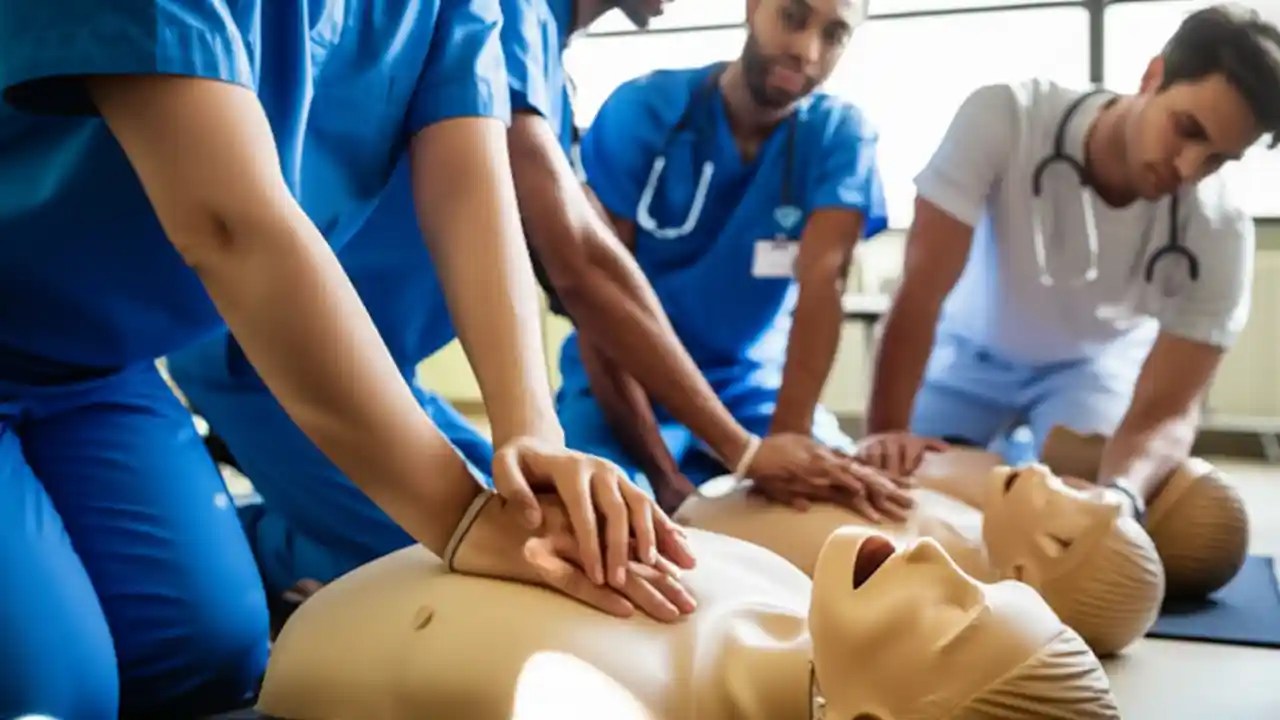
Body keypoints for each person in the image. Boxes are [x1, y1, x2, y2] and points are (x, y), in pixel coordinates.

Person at [0, 1, 692, 716]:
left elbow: (472, 191)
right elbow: (228, 222)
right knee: (53, 695)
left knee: (207, 655)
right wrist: (460, 519)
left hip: (99, 365)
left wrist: (533, 441)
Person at [169, 0, 885, 614]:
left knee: (580, 530)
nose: (808, 44)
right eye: (794, 13)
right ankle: (242, 535)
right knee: (466, 559)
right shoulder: (520, 24)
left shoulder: (538, 58)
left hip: (392, 366)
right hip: (283, 356)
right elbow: (580, 267)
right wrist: (742, 449)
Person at [862, 4, 1280, 515]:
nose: (1189, 167)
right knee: (904, 490)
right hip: (966, 354)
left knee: (1085, 514)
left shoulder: (1220, 229)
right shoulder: (1005, 117)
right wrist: (885, 435)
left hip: (1089, 372)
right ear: (1153, 76)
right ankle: (1004, 459)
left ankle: (1038, 469)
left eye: (1218, 158)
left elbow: (1169, 408)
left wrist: (1120, 497)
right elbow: (919, 294)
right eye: (1187, 129)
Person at [557, 0, 911, 519]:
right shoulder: (645, 110)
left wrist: (788, 444)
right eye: (792, 17)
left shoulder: (838, 135)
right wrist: (665, 478)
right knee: (612, 515)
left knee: (847, 500)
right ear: (752, 8)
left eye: (833, 35)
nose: (807, 51)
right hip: (626, 381)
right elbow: (598, 303)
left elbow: (822, 287)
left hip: (751, 391)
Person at [256, 519, 1120, 720]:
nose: (933, 559)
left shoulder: (612, 706)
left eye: (952, 619)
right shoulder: (784, 591)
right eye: (981, 581)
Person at [677, 455, 1165, 656]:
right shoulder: (976, 521)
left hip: (699, 528)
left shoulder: (891, 566)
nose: (1042, 473)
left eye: (1063, 504)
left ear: (1025, 574)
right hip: (715, 495)